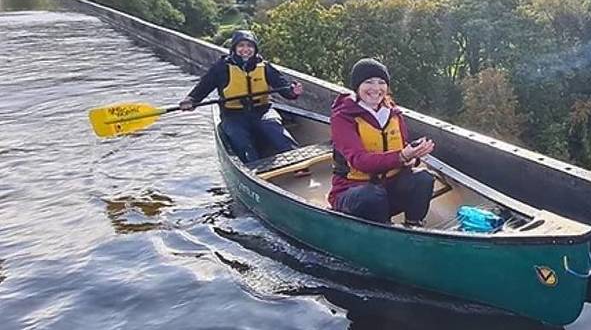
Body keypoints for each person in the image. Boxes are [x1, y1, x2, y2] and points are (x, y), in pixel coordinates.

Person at [329, 58, 435, 226]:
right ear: (357, 86)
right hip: (354, 193)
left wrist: (414, 156)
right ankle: (385, 231)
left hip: (387, 190)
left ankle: (413, 225)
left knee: (424, 179)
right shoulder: (343, 117)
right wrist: (401, 156)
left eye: (381, 82)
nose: (376, 88)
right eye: (368, 82)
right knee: (372, 195)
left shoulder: (393, 113)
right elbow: (360, 161)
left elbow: (402, 149)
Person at [179, 30, 304, 163]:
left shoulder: (264, 67)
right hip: (233, 115)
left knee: (276, 130)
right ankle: (253, 169)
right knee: (240, 140)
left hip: (262, 111)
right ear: (234, 48)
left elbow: (283, 86)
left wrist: (293, 92)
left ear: (255, 49)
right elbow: (204, 86)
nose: (246, 49)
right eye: (241, 46)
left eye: (250, 46)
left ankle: (298, 162)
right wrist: (191, 99)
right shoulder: (221, 68)